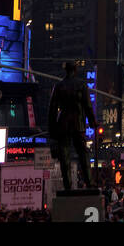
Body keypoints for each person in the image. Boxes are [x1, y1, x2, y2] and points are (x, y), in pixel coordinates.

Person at [47, 60, 97, 191]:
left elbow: (52, 110)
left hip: (63, 124)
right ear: (75, 70)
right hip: (77, 124)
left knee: (65, 157)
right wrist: (93, 122)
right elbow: (88, 106)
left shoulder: (59, 86)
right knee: (83, 154)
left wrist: (51, 129)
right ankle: (89, 183)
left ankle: (68, 185)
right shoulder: (81, 85)